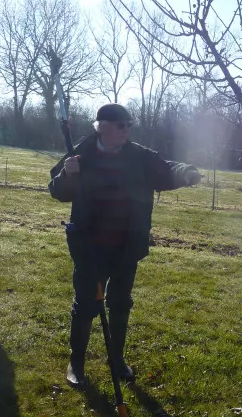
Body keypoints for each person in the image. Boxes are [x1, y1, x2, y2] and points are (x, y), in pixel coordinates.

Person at [49, 103, 203, 388]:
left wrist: (187, 173)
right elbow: (57, 191)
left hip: (126, 246)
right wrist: (67, 176)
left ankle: (116, 359)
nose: (127, 130)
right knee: (85, 305)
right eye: (122, 125)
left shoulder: (138, 156)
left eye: (129, 125)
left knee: (120, 304)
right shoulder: (80, 153)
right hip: (89, 247)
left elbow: (166, 168)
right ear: (103, 127)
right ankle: (77, 363)